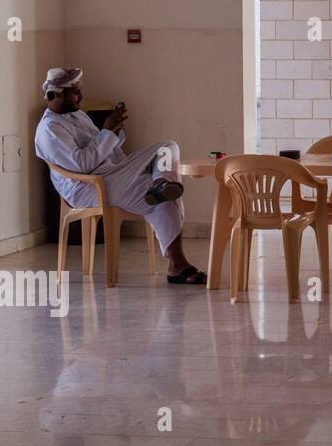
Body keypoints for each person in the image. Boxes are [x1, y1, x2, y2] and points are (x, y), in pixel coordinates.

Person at [34, 67, 206, 285]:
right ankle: (178, 264)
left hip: (112, 174)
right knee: (164, 193)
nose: (81, 96)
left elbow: (107, 150)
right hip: (87, 187)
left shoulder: (77, 115)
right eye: (75, 92)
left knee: (167, 148)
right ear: (57, 94)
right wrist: (106, 132)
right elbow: (82, 164)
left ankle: (161, 183)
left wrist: (113, 131)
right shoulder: (49, 129)